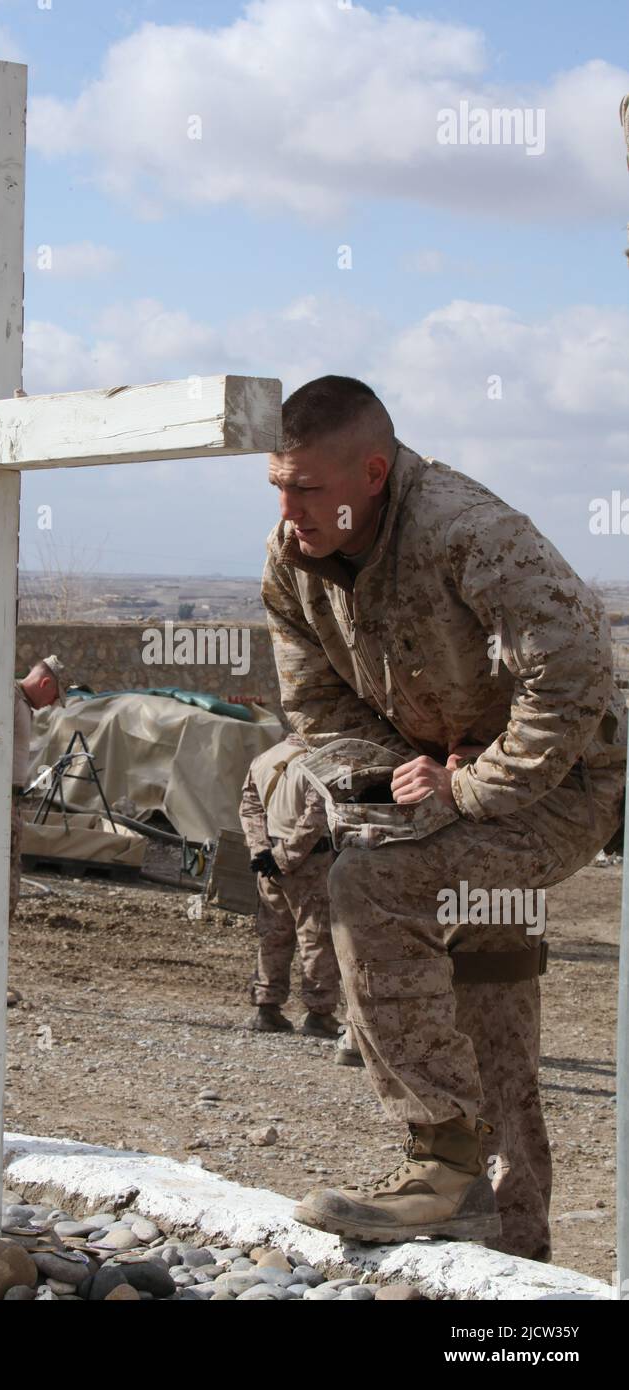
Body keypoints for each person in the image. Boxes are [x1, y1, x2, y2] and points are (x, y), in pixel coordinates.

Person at [260, 375, 626, 1261]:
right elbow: (317, 709)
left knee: (375, 889)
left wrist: (468, 789)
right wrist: (399, 790)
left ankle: (440, 1159)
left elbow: (575, 673)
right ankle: (515, 1257)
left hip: (558, 786)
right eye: (278, 484)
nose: (288, 507)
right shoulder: (293, 564)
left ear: (373, 472)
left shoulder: (469, 533)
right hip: (441, 794)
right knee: (490, 1005)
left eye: (307, 486)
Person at [239, 736, 360, 1052]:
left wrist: (262, 851)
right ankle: (319, 1014)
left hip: (269, 859)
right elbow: (315, 816)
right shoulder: (321, 762)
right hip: (309, 862)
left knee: (273, 934)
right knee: (316, 936)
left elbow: (249, 806)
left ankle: (267, 1007)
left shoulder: (266, 757)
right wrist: (285, 857)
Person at [10, 655, 69, 923]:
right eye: (54, 697)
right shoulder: (9, 700)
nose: (51, 705)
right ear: (45, 683)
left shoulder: (19, 703)